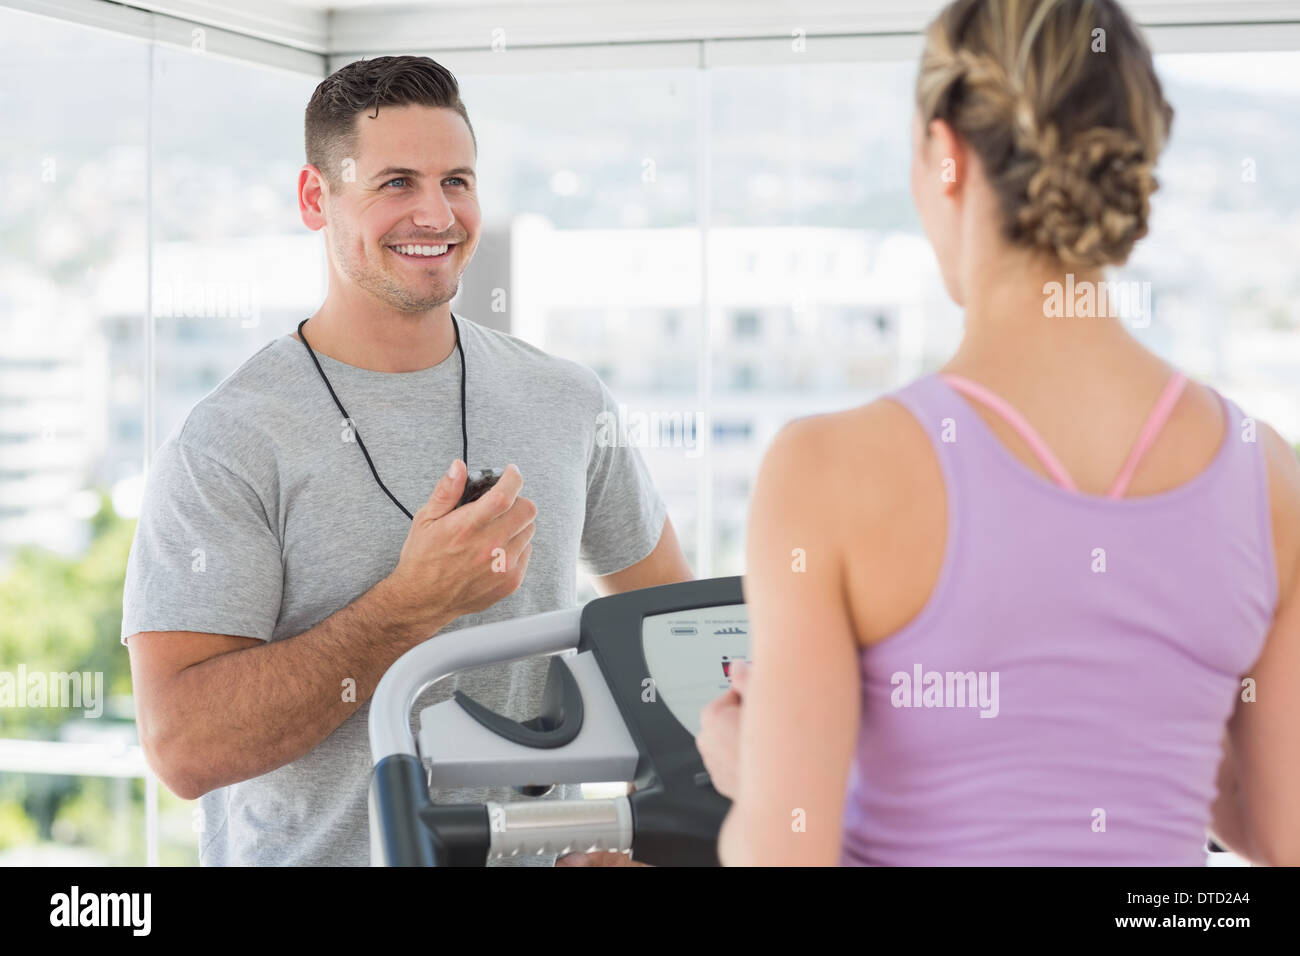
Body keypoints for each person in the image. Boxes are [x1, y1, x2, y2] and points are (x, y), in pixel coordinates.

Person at [697, 0, 1300, 866]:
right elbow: (1280, 833)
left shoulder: (828, 470)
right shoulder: (1263, 474)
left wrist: (757, 774)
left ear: (947, 155)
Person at [121, 55, 693, 867]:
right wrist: (410, 607)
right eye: (396, 182)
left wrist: (636, 834)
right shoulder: (232, 440)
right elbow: (183, 748)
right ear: (317, 199)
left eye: (456, 180)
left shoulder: (566, 400)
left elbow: (680, 648)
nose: (436, 212)